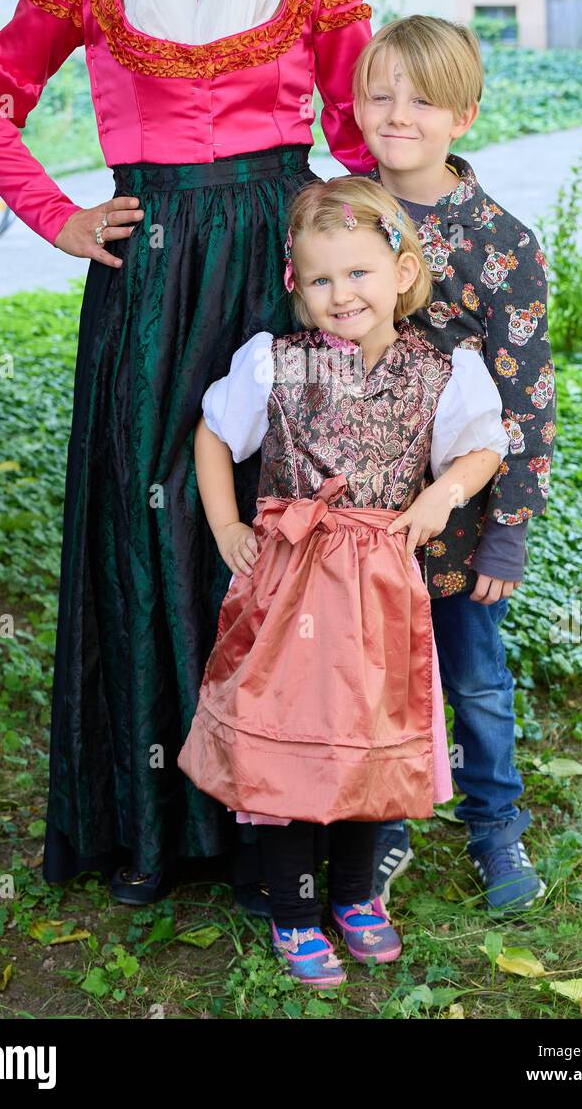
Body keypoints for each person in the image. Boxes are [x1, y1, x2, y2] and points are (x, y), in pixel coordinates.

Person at [0, 0, 379, 907]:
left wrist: (415, 231)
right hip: (149, 270)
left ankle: (277, 826)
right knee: (155, 525)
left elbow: (354, 132)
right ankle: (155, 817)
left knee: (288, 531)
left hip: (282, 262)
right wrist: (60, 214)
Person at [177, 179, 510, 984]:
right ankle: (294, 912)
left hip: (378, 591)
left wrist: (443, 492)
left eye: (359, 273)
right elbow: (215, 437)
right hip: (290, 584)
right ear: (297, 286)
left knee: (365, 745)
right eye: (321, 279)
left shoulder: (444, 373)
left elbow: (486, 443)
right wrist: (227, 525)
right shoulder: (273, 363)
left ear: (401, 273)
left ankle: (357, 898)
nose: (341, 294)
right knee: (288, 749)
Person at [351, 16, 556, 911]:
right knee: (371, 680)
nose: (399, 114)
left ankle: (495, 830)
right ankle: (380, 835)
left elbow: (527, 401)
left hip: (463, 522)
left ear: (463, 116)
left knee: (473, 679)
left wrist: (507, 533)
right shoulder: (341, 213)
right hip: (359, 520)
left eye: (424, 100)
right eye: (381, 93)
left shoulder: (502, 244)